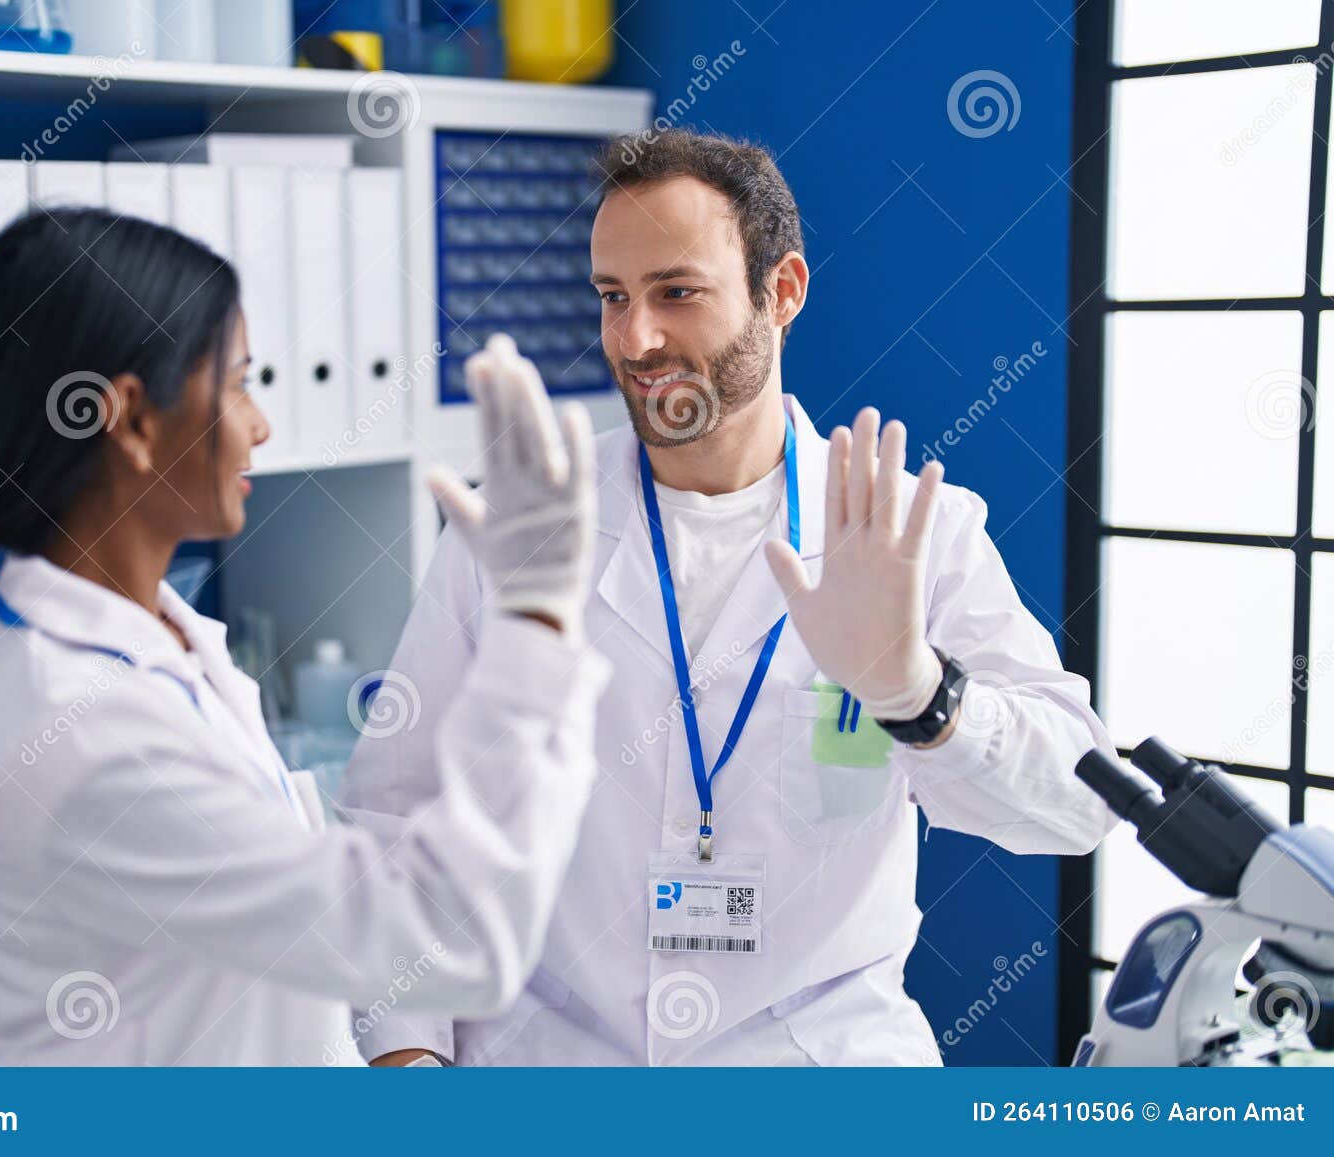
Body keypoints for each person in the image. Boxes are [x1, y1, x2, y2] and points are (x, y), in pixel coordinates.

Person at [340, 128, 1120, 1066]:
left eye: (677, 293)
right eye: (612, 298)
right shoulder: (519, 526)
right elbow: (396, 814)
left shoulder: (915, 532)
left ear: (781, 291)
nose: (636, 339)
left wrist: (918, 695)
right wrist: (406, 1059)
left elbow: (1081, 803)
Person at [0, 208, 609, 1065]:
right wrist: (535, 632)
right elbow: (442, 945)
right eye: (240, 384)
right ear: (136, 422)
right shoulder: (88, 729)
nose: (260, 426)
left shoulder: (164, 642)